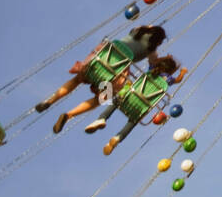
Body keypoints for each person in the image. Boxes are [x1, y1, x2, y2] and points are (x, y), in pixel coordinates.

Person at [35, 25, 169, 134]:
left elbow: (136, 29)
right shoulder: (152, 50)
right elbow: (154, 63)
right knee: (102, 99)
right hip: (113, 75)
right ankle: (69, 115)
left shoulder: (138, 31)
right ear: (158, 41)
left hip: (99, 62)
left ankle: (50, 101)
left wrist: (149, 27)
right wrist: (166, 61)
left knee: (77, 80)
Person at [96, 54, 189, 156]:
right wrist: (182, 73)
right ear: (171, 70)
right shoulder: (168, 79)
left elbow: (152, 60)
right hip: (141, 107)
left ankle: (102, 118)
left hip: (128, 98)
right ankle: (117, 138)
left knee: (115, 101)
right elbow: (178, 80)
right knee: (132, 122)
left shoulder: (152, 70)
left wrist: (165, 58)